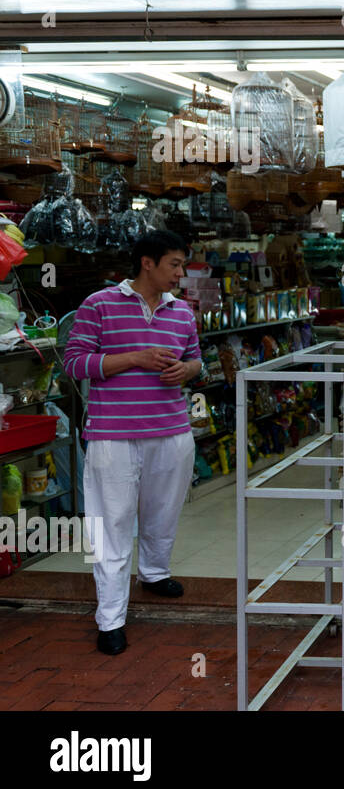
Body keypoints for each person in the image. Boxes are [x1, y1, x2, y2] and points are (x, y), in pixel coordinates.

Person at [64, 230, 202, 656]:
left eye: (182, 265)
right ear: (147, 262)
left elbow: (196, 358)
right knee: (112, 525)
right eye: (174, 264)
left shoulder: (182, 312)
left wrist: (187, 371)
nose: (181, 274)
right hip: (112, 435)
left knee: (163, 512)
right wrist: (133, 359)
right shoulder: (99, 304)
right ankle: (110, 619)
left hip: (172, 431)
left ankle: (155, 574)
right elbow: (73, 364)